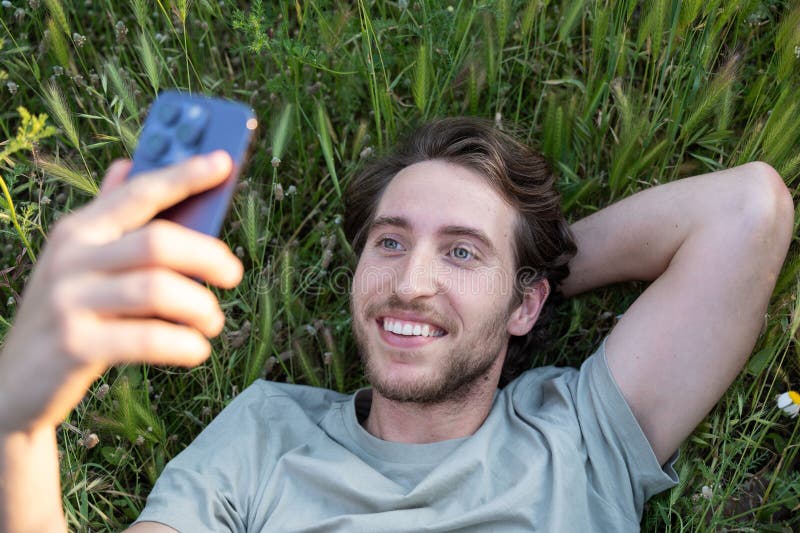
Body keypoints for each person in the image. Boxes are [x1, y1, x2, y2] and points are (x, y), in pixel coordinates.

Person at [0, 117, 793, 532]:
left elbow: (748, 210)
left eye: (460, 251)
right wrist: (18, 430)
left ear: (527, 305)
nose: (410, 283)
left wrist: (531, 276)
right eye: (389, 242)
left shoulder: (581, 434)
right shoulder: (264, 434)